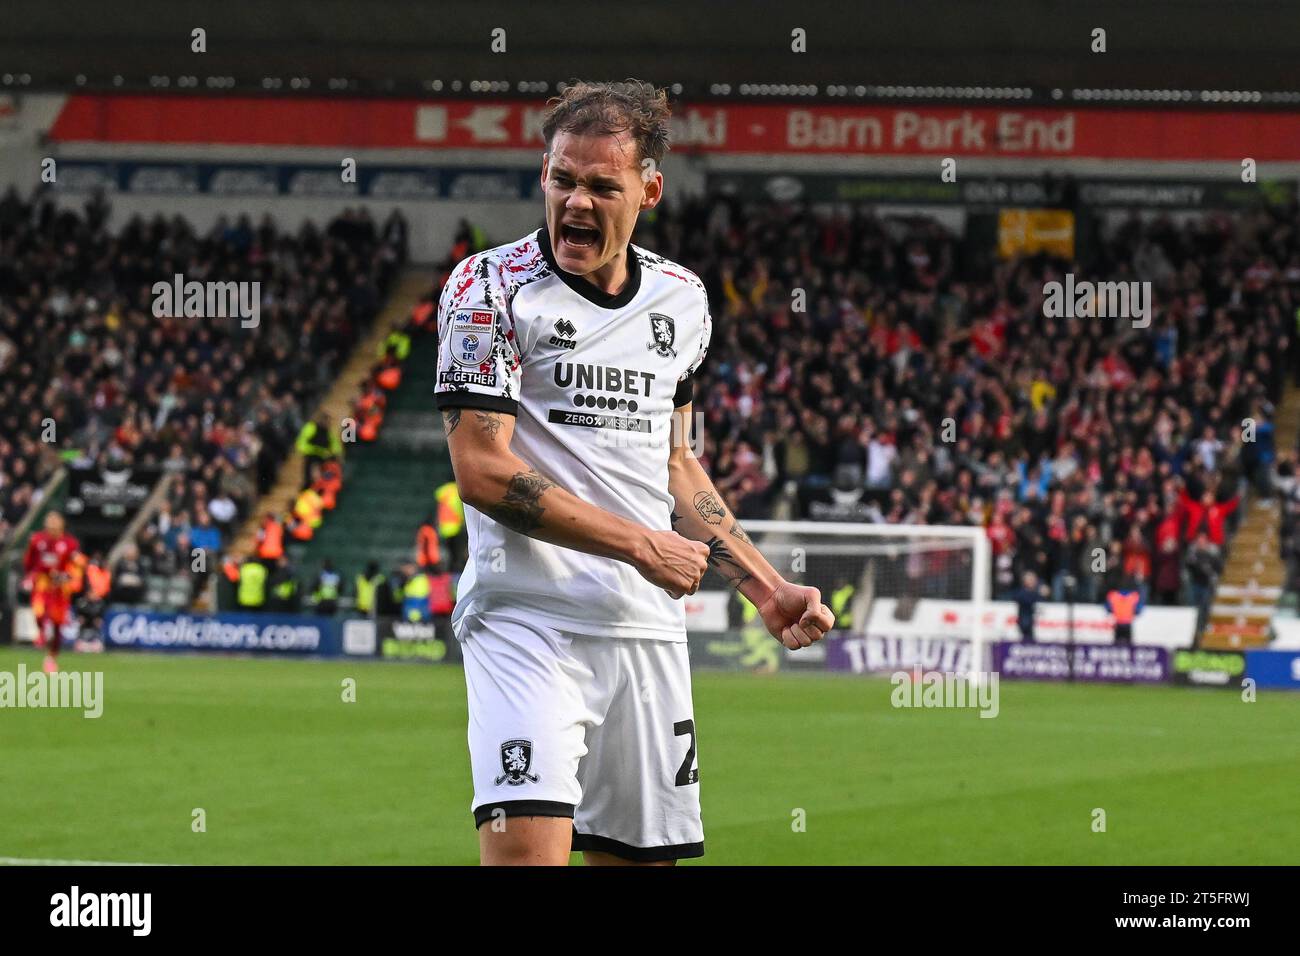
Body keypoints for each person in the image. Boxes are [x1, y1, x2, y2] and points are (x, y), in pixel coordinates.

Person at [434, 80, 833, 867]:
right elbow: (482, 471)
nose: (575, 203)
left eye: (600, 186)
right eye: (561, 180)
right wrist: (641, 548)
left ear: (649, 189)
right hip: (528, 620)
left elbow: (676, 461)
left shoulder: (683, 301)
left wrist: (764, 586)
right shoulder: (487, 289)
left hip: (646, 633)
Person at [22, 511, 81, 673]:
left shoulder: (70, 543)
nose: (52, 524)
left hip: (61, 587)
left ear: (62, 523)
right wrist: (28, 577)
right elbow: (29, 562)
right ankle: (41, 632)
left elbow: (77, 566)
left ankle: (51, 657)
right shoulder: (37, 540)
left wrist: (66, 577)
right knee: (38, 611)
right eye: (49, 520)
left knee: (57, 623)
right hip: (43, 582)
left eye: (55, 520)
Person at [1011, 571, 1049, 644]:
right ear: (1024, 581)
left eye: (1034, 579)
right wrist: (1040, 593)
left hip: (1042, 628)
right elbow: (1028, 599)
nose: (1033, 581)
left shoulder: (1037, 592)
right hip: (1026, 627)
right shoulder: (1021, 592)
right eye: (1030, 579)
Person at [1105, 577, 1143, 646]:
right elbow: (1139, 610)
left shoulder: (1113, 595)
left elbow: (1108, 608)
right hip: (1127, 624)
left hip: (1118, 624)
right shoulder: (1134, 596)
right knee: (1129, 647)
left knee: (1116, 646)